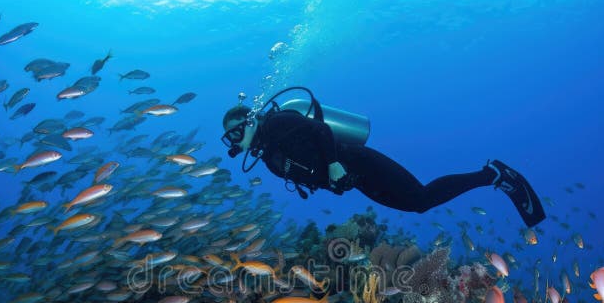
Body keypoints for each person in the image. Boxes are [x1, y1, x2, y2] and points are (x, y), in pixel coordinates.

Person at [221, 101, 546, 227]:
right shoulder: (267, 159)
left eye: (236, 131)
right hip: (356, 179)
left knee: (420, 198)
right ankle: (491, 175)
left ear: (250, 121)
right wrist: (334, 182)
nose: (234, 140)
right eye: (230, 137)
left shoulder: (278, 122)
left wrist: (335, 165)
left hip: (357, 160)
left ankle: (492, 174)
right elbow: (309, 172)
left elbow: (320, 131)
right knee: (419, 204)